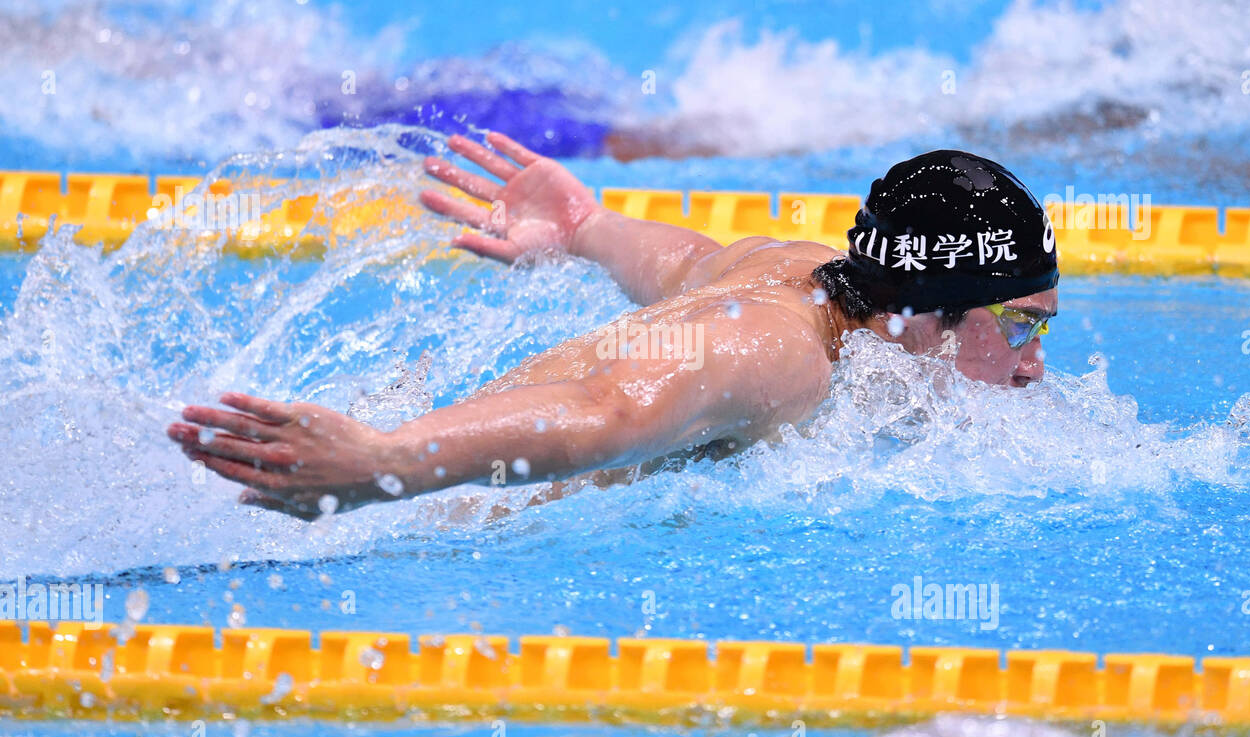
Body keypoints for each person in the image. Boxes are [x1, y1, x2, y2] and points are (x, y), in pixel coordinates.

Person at [166, 132, 1058, 518]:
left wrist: (587, 230)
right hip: (430, 505)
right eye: (1020, 327)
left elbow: (685, 264)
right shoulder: (784, 354)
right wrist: (387, 464)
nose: (1034, 369)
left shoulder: (798, 274)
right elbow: (609, 412)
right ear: (933, 313)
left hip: (403, 452)